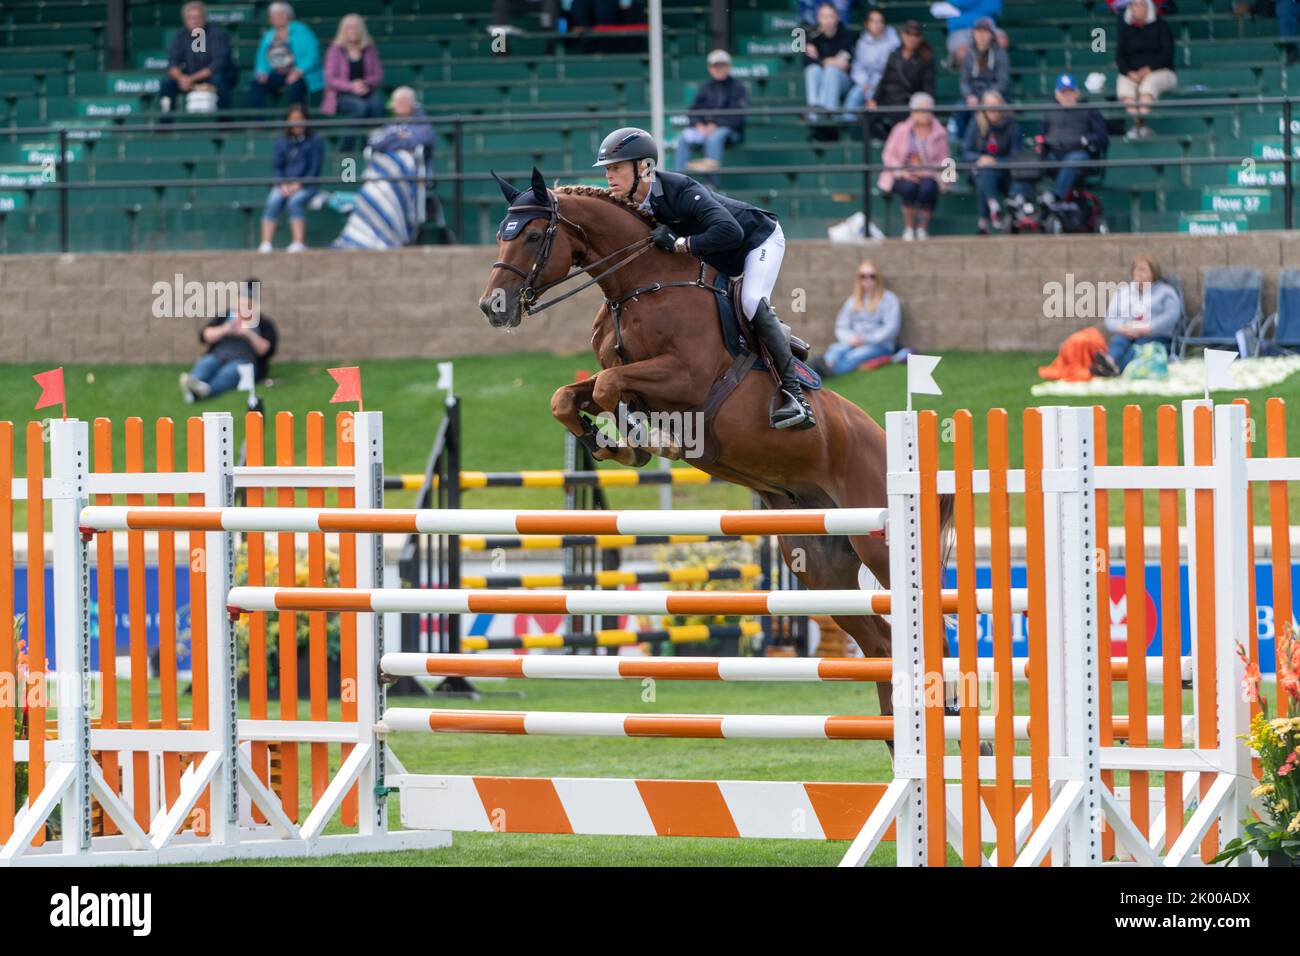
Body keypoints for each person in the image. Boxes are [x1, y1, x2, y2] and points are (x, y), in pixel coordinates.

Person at [593, 127, 815, 430]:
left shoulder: (679, 190)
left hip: (757, 240)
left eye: (616, 168)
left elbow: (731, 232)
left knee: (751, 301)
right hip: (717, 254)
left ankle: (794, 395)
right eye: (607, 169)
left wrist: (680, 244)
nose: (609, 176)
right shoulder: (628, 203)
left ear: (643, 167)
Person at [181, 280, 279, 402]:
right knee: (206, 363)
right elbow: (204, 335)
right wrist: (225, 329)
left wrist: (248, 333)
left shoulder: (263, 323)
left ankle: (205, 391)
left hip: (243, 361)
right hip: (218, 356)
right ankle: (193, 385)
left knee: (229, 372)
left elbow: (267, 350)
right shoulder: (225, 317)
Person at [878, 93, 949, 240]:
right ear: (912, 112)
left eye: (927, 110)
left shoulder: (940, 132)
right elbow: (888, 156)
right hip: (902, 174)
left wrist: (933, 174)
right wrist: (902, 172)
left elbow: (947, 160)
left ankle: (922, 229)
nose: (924, 114)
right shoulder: (900, 129)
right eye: (920, 110)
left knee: (928, 189)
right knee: (908, 188)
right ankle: (909, 228)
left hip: (930, 175)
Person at [1031, 73, 1109, 205]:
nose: (1067, 96)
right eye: (1063, 93)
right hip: (1054, 154)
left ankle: (1055, 197)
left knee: (1072, 160)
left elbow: (1102, 137)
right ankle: (1026, 202)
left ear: (1077, 93)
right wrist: (1041, 143)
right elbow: (1041, 135)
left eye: (1070, 92)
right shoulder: (1050, 112)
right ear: (1057, 94)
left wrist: (1086, 140)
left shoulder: (1089, 110)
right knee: (1033, 161)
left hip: (1080, 154)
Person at [673, 49, 748, 181]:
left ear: (728, 67)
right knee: (684, 137)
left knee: (714, 138)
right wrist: (699, 124)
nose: (719, 69)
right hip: (705, 128)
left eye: (722, 65)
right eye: (715, 66)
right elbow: (693, 111)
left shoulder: (738, 87)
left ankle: (712, 183)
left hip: (729, 131)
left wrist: (716, 124)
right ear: (710, 68)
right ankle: (678, 181)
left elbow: (738, 116)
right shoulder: (705, 87)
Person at [258, 104, 324, 253]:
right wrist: (282, 184)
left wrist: (299, 184)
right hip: (285, 184)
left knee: (295, 202)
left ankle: (298, 242)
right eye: (293, 119)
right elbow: (277, 167)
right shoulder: (282, 141)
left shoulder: (315, 141)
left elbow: (314, 169)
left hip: (307, 185)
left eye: (300, 119)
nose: (297, 123)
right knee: (273, 201)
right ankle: (266, 243)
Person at [819, 261, 901, 375]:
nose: (867, 279)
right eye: (863, 276)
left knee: (854, 356)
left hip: (879, 344)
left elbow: (891, 328)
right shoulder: (853, 300)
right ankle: (823, 366)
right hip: (855, 341)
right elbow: (841, 327)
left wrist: (867, 339)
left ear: (878, 278)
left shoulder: (889, 299)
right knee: (835, 349)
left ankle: (831, 372)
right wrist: (851, 339)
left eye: (872, 276)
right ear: (859, 279)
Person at [961, 90, 1026, 234]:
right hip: (980, 171)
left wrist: (995, 162)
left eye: (996, 105)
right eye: (989, 105)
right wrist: (980, 158)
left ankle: (984, 221)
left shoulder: (1012, 125)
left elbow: (1016, 155)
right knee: (985, 172)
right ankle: (993, 207)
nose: (993, 110)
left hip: (1005, 172)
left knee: (986, 172)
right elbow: (966, 152)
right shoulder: (976, 123)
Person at [1103, 255, 1182, 370]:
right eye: (1136, 268)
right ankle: (1108, 362)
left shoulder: (1165, 292)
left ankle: (1117, 368)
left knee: (1139, 348)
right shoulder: (1123, 292)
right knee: (1119, 341)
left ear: (1153, 273)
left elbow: (1171, 316)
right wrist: (1122, 327)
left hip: (1155, 335)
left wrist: (1148, 328)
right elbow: (1110, 318)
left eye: (1143, 269)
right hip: (1129, 332)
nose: (1138, 272)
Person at [321, 14, 384, 153]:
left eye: (356, 27)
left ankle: (372, 147)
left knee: (377, 105)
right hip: (341, 94)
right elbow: (330, 78)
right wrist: (352, 86)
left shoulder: (369, 49)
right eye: (349, 27)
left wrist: (364, 83)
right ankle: (346, 149)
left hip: (366, 90)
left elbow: (378, 75)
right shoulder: (335, 49)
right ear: (343, 30)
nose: (353, 30)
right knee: (361, 108)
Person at [1115, 0, 1177, 141]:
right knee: (1124, 86)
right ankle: (1139, 126)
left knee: (1148, 85)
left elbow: (1167, 55)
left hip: (1161, 72)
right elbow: (1119, 57)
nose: (1138, 8)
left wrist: (1149, 69)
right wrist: (1129, 72)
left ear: (1148, 7)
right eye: (1135, 5)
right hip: (1132, 74)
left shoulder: (1161, 26)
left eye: (1142, 4)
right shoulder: (1125, 29)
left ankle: (1139, 125)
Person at [161, 2, 236, 113]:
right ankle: (165, 126)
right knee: (167, 83)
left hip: (212, 77)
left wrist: (192, 79)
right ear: (185, 21)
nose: (195, 21)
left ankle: (225, 126)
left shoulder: (216, 34)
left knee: (219, 79)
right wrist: (181, 78)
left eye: (198, 17)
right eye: (190, 18)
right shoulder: (180, 35)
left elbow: (217, 64)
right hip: (188, 77)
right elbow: (172, 63)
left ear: (205, 18)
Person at [250, 2, 323, 109]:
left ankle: (294, 120)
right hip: (276, 73)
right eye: (274, 15)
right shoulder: (269, 35)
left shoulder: (301, 30)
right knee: (256, 84)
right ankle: (258, 122)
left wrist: (299, 71)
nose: (277, 17)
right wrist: (262, 72)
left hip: (300, 74)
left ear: (288, 15)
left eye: (281, 14)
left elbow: (313, 55)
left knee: (295, 86)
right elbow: (261, 58)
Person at [870, 20, 936, 140]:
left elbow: (929, 88)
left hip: (908, 101)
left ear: (920, 38)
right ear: (902, 35)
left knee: (900, 113)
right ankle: (890, 142)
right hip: (888, 99)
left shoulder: (926, 58)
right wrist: (874, 99)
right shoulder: (894, 55)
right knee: (868, 118)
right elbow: (884, 80)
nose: (911, 38)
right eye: (908, 33)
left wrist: (920, 104)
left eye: (915, 35)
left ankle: (897, 144)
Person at [954, 17, 1010, 140]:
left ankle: (981, 144)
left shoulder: (1000, 53)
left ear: (991, 35)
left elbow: (1002, 82)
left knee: (985, 110)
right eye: (978, 32)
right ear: (974, 33)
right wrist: (969, 96)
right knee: (959, 108)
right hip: (973, 96)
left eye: (985, 32)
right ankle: (962, 143)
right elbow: (964, 81)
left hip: (995, 97)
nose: (981, 35)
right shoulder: (969, 54)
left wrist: (986, 97)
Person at [842, 9, 900, 122]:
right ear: (867, 24)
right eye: (873, 21)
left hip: (885, 84)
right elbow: (858, 67)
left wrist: (874, 84)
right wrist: (864, 83)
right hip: (866, 83)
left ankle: (872, 130)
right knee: (854, 95)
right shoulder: (862, 42)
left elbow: (892, 70)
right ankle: (848, 125)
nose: (877, 25)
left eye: (880, 21)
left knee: (872, 96)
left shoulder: (894, 42)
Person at [803, 3, 856, 126]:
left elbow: (843, 63)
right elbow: (807, 62)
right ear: (818, 18)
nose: (827, 20)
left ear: (837, 18)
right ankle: (814, 111)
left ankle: (829, 113)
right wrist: (830, 61)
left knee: (831, 70)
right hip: (822, 79)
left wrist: (820, 60)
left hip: (843, 82)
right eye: (823, 16)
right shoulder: (811, 35)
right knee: (812, 70)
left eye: (830, 16)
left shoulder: (846, 34)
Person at [367, 86, 435, 161]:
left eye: (404, 101)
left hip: (412, 167)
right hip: (388, 164)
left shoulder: (421, 121)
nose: (401, 105)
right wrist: (396, 136)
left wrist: (390, 142)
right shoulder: (391, 123)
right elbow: (374, 142)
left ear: (412, 103)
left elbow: (424, 140)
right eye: (397, 101)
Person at [942, 0, 1003, 66]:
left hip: (988, 27)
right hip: (960, 29)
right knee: (963, 54)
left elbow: (994, 7)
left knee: (1002, 41)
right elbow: (956, 2)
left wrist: (968, 5)